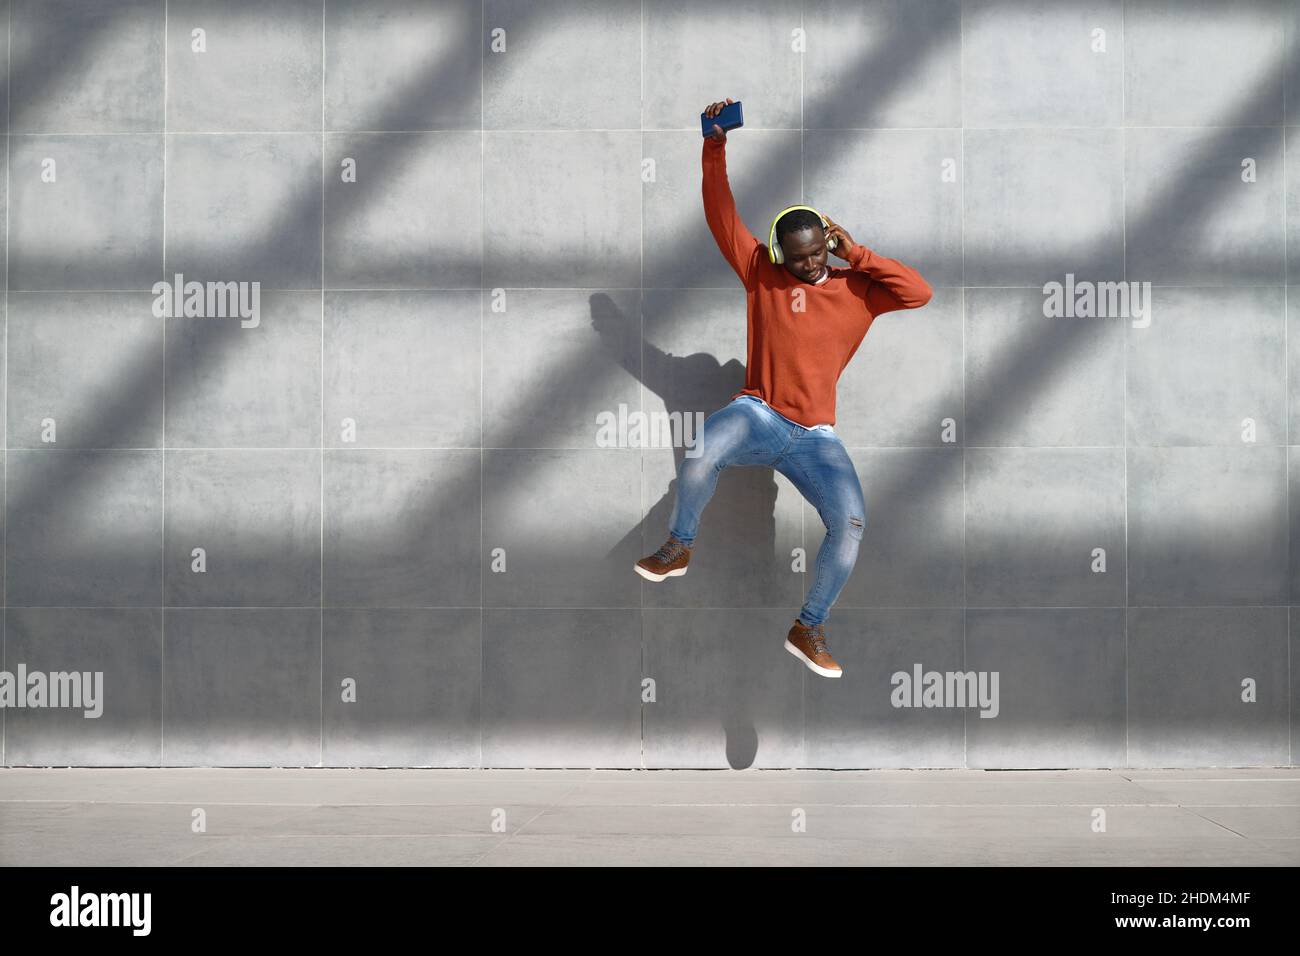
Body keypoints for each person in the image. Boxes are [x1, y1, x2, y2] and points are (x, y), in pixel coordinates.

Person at [635, 97, 933, 679]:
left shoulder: (859, 289)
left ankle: (809, 625)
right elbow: (720, 213)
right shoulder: (759, 274)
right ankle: (679, 546)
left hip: (817, 439)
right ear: (779, 255)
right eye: (798, 259)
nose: (811, 264)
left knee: (849, 527)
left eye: (819, 250)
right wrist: (713, 144)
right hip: (760, 414)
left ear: (830, 239)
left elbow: (919, 292)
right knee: (700, 454)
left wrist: (859, 254)